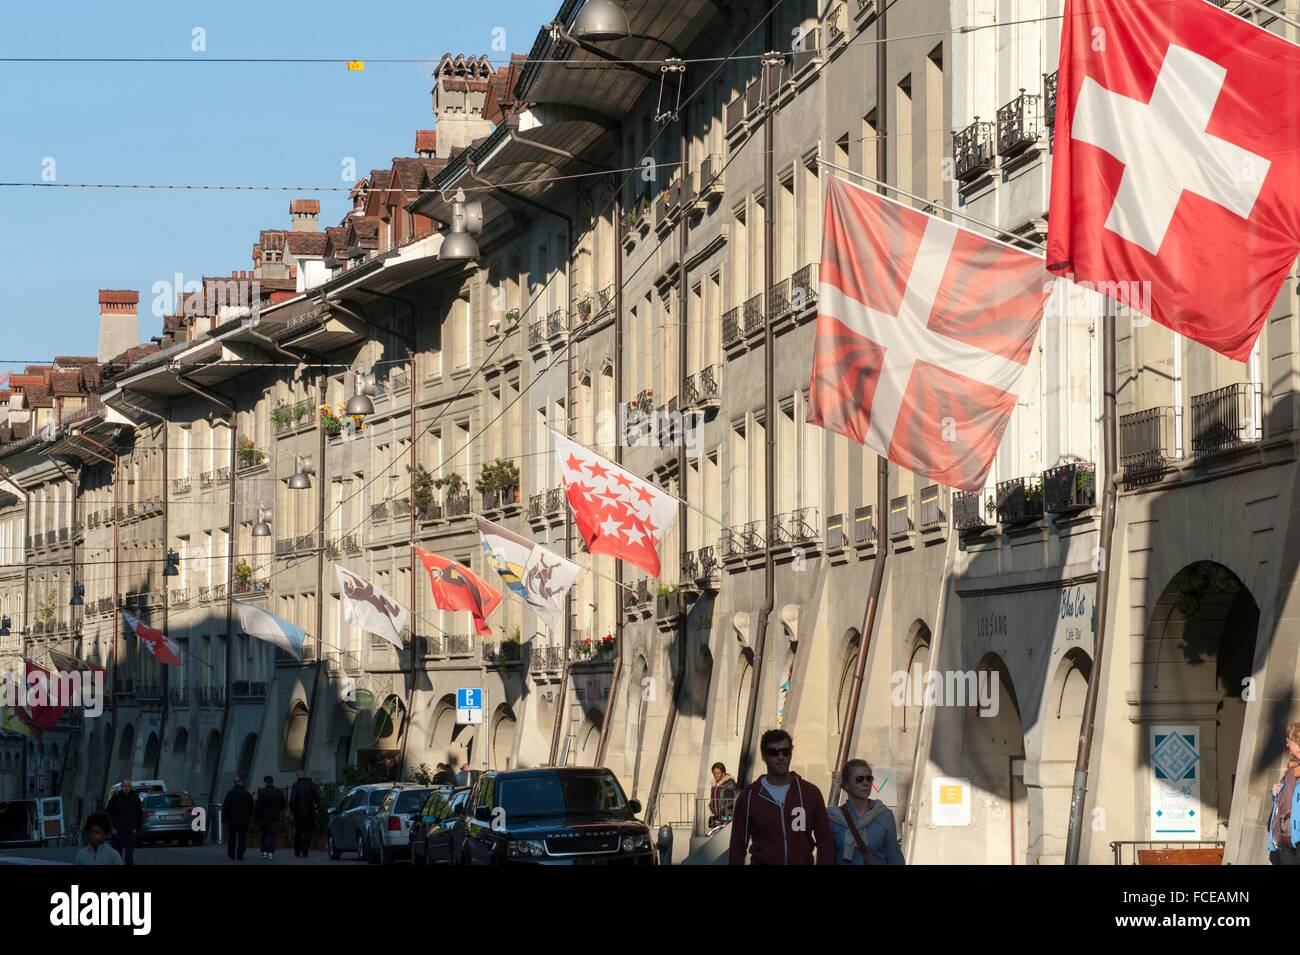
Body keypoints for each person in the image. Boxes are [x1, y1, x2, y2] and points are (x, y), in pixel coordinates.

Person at [728, 729, 834, 865]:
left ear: (790, 754)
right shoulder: (749, 796)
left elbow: (825, 841)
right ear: (763, 756)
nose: (780, 757)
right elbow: (737, 845)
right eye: (773, 752)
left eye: (785, 751)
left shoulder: (810, 793)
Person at [827, 758, 905, 865]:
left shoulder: (884, 814)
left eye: (869, 779)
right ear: (846, 784)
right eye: (859, 779)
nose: (866, 783)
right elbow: (826, 857)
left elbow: (895, 858)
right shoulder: (833, 817)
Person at [1268, 722, 1300, 864]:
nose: (1287, 744)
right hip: (1286, 838)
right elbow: (1284, 798)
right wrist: (1276, 792)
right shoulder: (1291, 771)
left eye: (1289, 741)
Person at [104, 778, 143, 866]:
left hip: (130, 832)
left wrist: (136, 828)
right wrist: (112, 828)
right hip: (118, 831)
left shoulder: (135, 797)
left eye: (128, 786)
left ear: (131, 787)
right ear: (121, 787)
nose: (126, 788)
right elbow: (108, 813)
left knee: (129, 855)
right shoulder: (116, 797)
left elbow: (139, 814)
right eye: (125, 786)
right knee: (117, 855)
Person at [289, 770, 321, 858]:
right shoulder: (312, 785)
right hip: (309, 812)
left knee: (298, 832)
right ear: (305, 775)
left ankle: (297, 851)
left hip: (298, 812)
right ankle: (305, 851)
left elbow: (292, 800)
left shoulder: (296, 785)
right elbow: (317, 798)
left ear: (298, 776)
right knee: (308, 832)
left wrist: (292, 810)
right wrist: (317, 807)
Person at [222, 776, 254, 861]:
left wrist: (224, 819)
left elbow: (225, 807)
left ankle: (231, 854)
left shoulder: (229, 794)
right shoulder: (247, 794)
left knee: (231, 837)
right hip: (243, 820)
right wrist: (249, 817)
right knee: (242, 838)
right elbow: (251, 807)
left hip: (231, 820)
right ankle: (240, 855)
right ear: (242, 783)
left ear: (235, 783)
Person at [255, 775, 287, 861]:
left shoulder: (262, 792)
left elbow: (258, 806)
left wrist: (258, 816)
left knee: (264, 835)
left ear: (265, 782)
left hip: (264, 817)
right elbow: (283, 804)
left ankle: (264, 852)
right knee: (273, 835)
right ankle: (270, 853)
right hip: (275, 816)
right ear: (272, 782)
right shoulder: (278, 792)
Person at [708, 762, 737, 828]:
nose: (716, 775)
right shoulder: (714, 784)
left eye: (718, 773)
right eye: (714, 773)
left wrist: (724, 808)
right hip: (717, 814)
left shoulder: (730, 783)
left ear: (723, 773)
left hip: (726, 815)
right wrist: (711, 805)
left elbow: (734, 799)